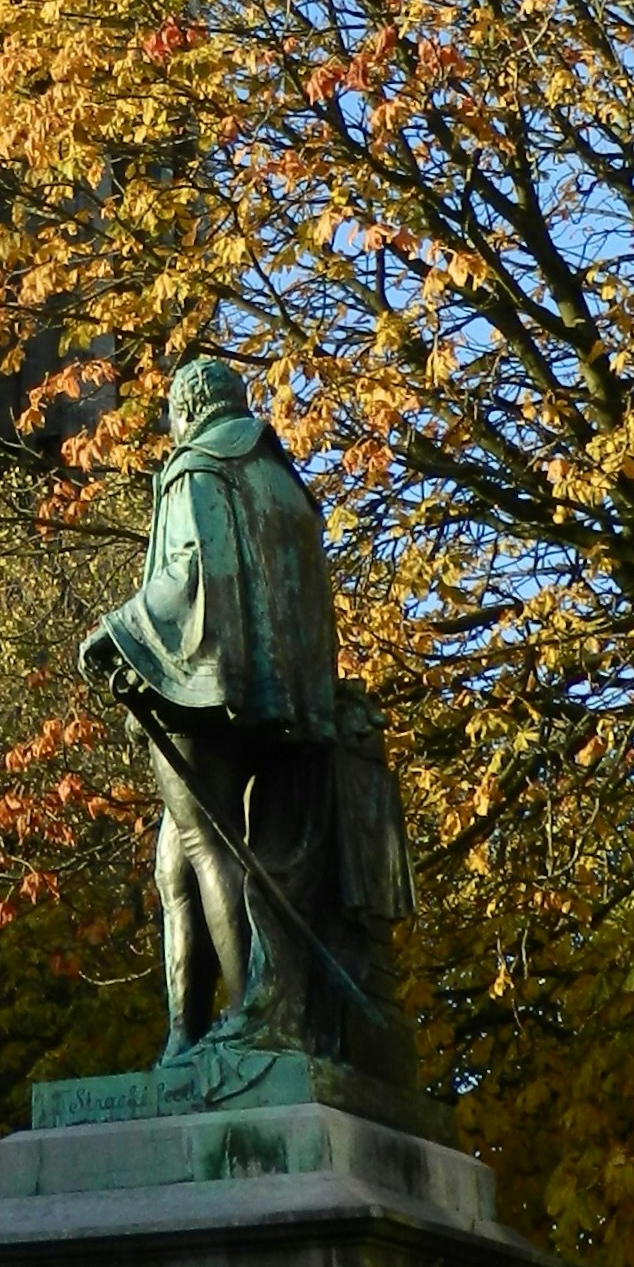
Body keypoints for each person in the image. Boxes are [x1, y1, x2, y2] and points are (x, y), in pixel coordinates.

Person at [81, 356, 410, 1071]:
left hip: (207, 687)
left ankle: (255, 1020)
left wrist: (118, 632)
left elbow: (192, 575)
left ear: (188, 408)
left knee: (208, 847)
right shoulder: (286, 485)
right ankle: (184, 1039)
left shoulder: (197, 468)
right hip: (287, 696)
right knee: (174, 862)